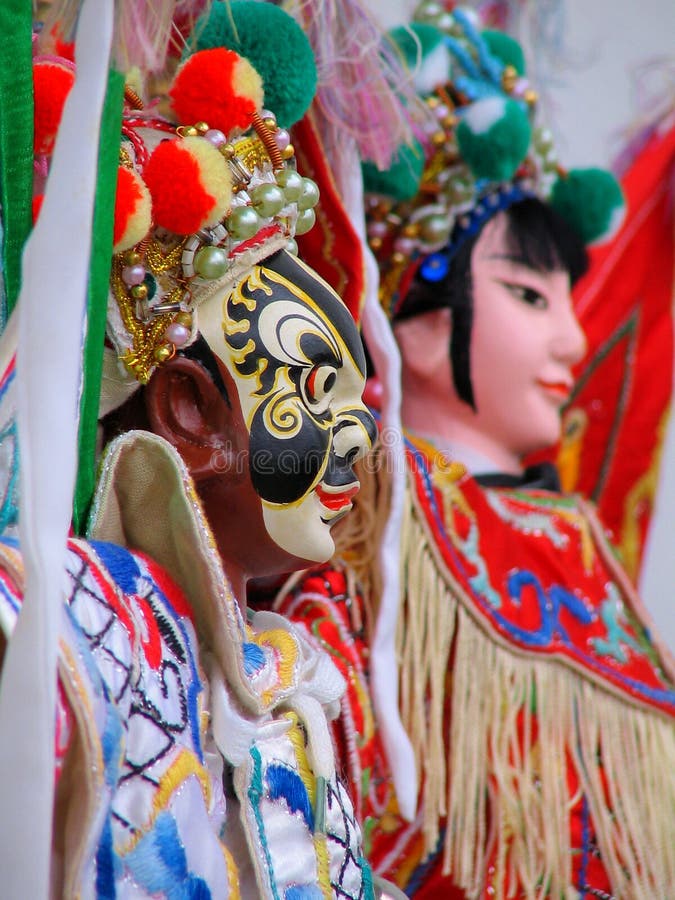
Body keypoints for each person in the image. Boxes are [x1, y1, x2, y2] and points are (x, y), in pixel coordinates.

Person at [275, 7, 675, 898]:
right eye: (530, 297)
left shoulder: (581, 546)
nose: (574, 340)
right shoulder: (364, 524)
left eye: (570, 301)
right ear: (418, 327)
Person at [0, 3, 383, 897]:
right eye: (319, 390)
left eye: (357, 399)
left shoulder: (292, 677)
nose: (362, 432)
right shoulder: (66, 622)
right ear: (188, 412)